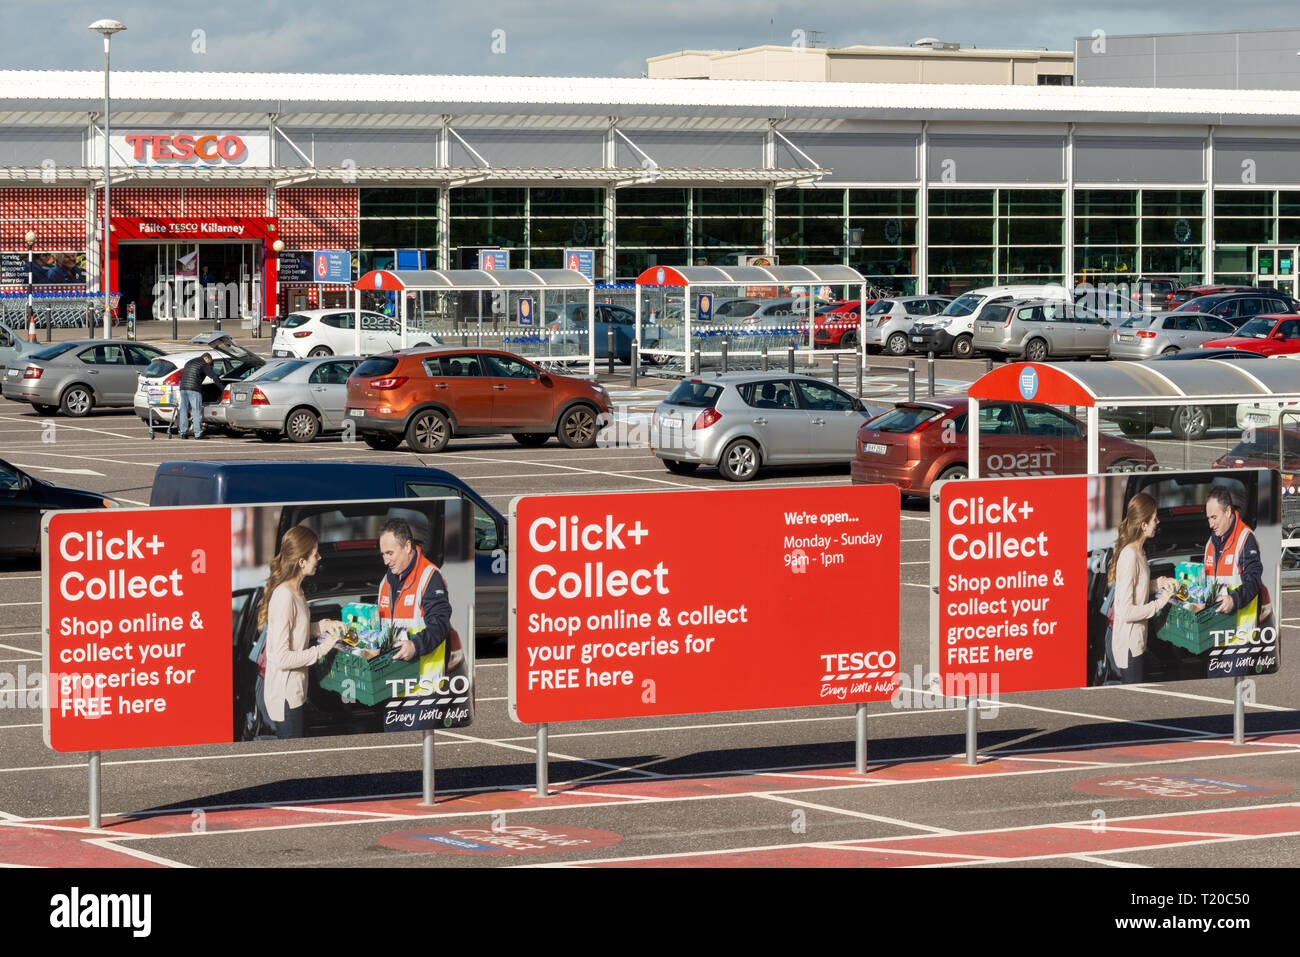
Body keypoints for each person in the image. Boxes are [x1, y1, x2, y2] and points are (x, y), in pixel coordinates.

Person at [258, 525, 342, 739]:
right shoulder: (284, 596)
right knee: (292, 761)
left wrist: (323, 625)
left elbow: (300, 631)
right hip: (285, 697)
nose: (320, 558)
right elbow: (282, 657)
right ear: (301, 561)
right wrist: (322, 649)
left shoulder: (298, 591)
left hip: (295, 693)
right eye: (315, 554)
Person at [376, 519, 459, 682]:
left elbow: (440, 625)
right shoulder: (386, 581)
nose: (385, 561)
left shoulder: (429, 577)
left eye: (390, 553)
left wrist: (415, 646)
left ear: (407, 546)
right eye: (383, 554)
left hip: (424, 685)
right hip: (393, 682)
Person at [1107, 492, 1174, 683]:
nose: (1158, 522)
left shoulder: (1139, 552)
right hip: (1128, 645)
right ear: (1144, 525)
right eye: (1154, 518)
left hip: (1136, 643)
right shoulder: (1130, 556)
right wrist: (1159, 603)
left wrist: (1159, 583)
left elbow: (1139, 588)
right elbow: (1126, 611)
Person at [1205, 485, 1269, 631]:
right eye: (1208, 518)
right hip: (1215, 631)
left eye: (1214, 517)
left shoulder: (1245, 539)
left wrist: (1233, 600)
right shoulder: (1211, 543)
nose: (1210, 524)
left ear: (1228, 511)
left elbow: (1253, 581)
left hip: (1239, 634)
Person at [177, 351, 220, 439]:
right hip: (194, 389)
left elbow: (181, 376)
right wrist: (222, 387)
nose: (209, 365)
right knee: (196, 411)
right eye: (209, 363)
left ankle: (182, 432)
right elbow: (213, 376)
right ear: (206, 358)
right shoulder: (203, 364)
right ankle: (198, 433)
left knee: (184, 410)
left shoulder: (189, 362)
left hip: (183, 388)